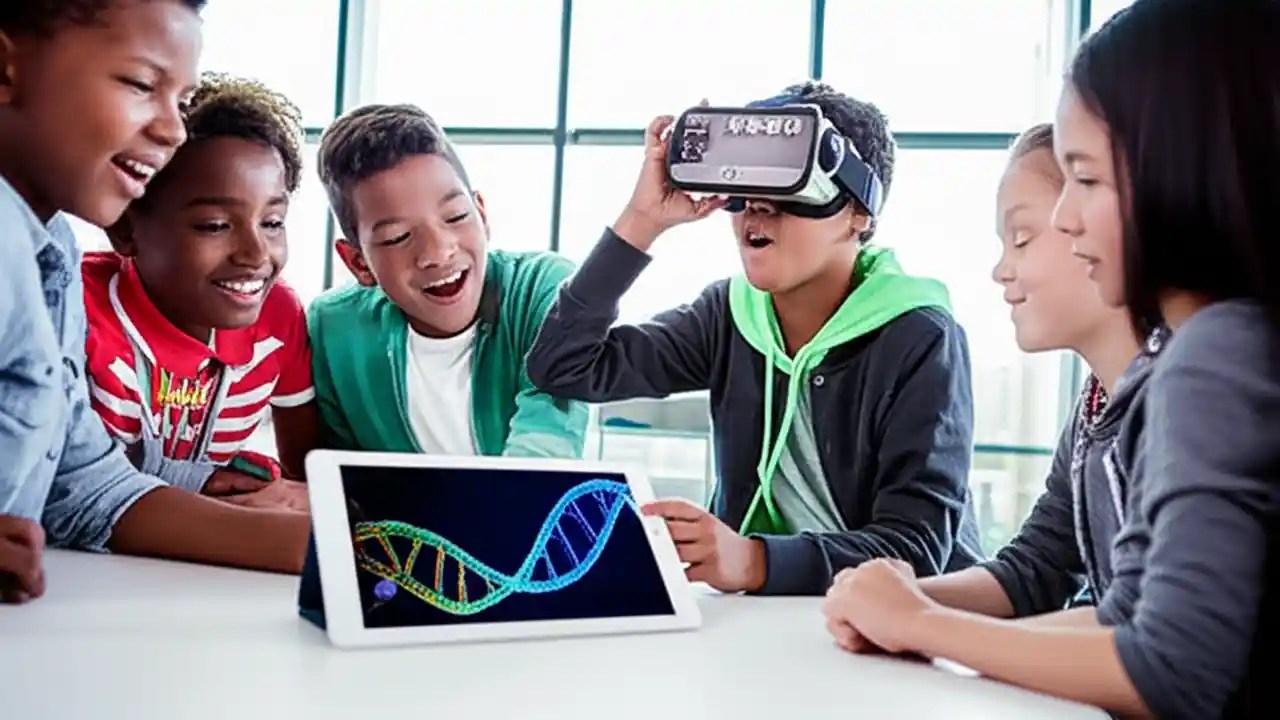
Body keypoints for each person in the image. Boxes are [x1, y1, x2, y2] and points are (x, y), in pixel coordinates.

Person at [822, 1, 1279, 717]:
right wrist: (912, 613)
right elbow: (1102, 603)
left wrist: (920, 623)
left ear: (1181, 167)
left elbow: (1165, 664)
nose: (1068, 216)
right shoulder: (1150, 382)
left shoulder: (1213, 357)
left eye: (1087, 180)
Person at [526, 81, 983, 596]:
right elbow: (563, 366)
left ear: (860, 213)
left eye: (790, 185)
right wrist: (642, 221)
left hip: (899, 625)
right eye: (741, 187)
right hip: (760, 620)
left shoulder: (920, 337)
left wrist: (754, 560)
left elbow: (917, 551)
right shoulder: (729, 315)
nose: (757, 209)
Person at [0, 0, 310, 606]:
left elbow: (88, 486)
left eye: (182, 101)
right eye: (142, 84)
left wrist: (322, 544)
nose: (172, 130)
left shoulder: (51, 251)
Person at [905, 123, 1159, 620]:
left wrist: (921, 622)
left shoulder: (1174, 405)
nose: (1001, 270)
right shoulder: (1094, 408)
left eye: (1020, 239)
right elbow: (1035, 569)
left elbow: (1146, 637)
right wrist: (906, 596)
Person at [84, 72, 317, 513]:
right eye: (215, 225)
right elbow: (67, 487)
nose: (255, 254)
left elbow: (304, 478)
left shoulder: (278, 316)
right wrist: (204, 483)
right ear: (126, 227)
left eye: (272, 223)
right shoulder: (77, 313)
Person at [308, 104, 588, 459]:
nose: (438, 253)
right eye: (397, 237)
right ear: (359, 263)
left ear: (481, 214)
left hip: (535, 513)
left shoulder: (547, 290)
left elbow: (547, 445)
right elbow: (336, 471)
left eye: (455, 216)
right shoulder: (334, 328)